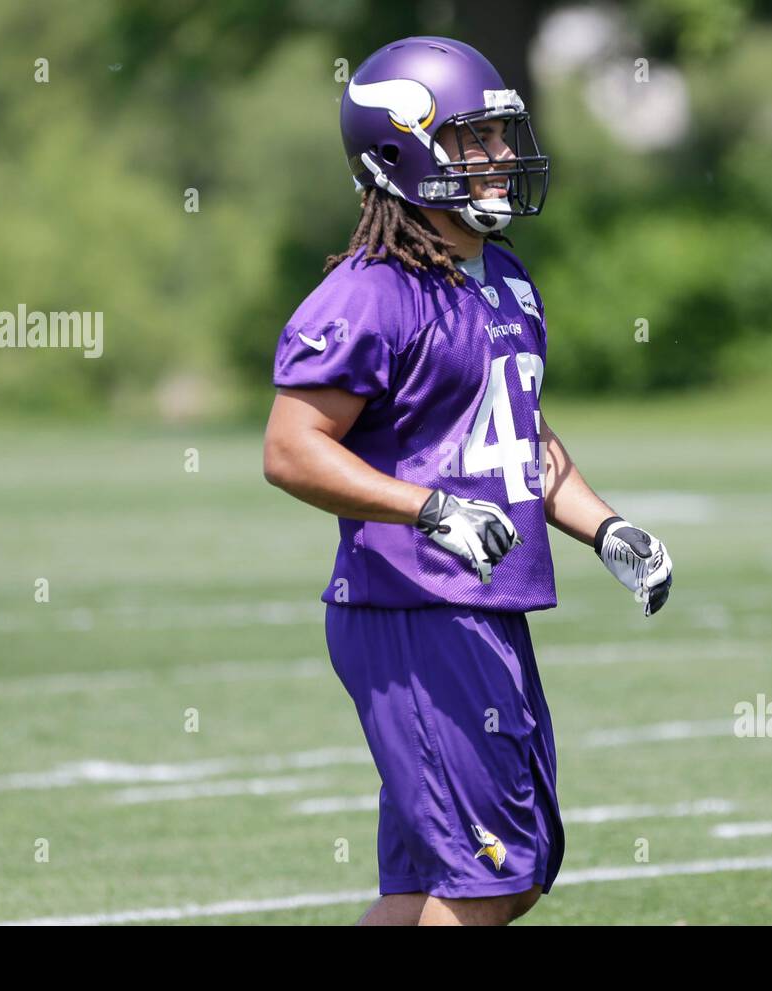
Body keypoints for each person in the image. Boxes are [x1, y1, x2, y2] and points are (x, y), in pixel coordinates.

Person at [262, 36, 673, 926]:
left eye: (499, 136)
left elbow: (515, 429)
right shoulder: (371, 292)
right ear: (404, 151)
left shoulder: (506, 278)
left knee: (425, 892)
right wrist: (429, 508)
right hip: (415, 609)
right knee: (499, 881)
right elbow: (292, 449)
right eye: (476, 140)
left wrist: (606, 527)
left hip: (478, 607)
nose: (500, 158)